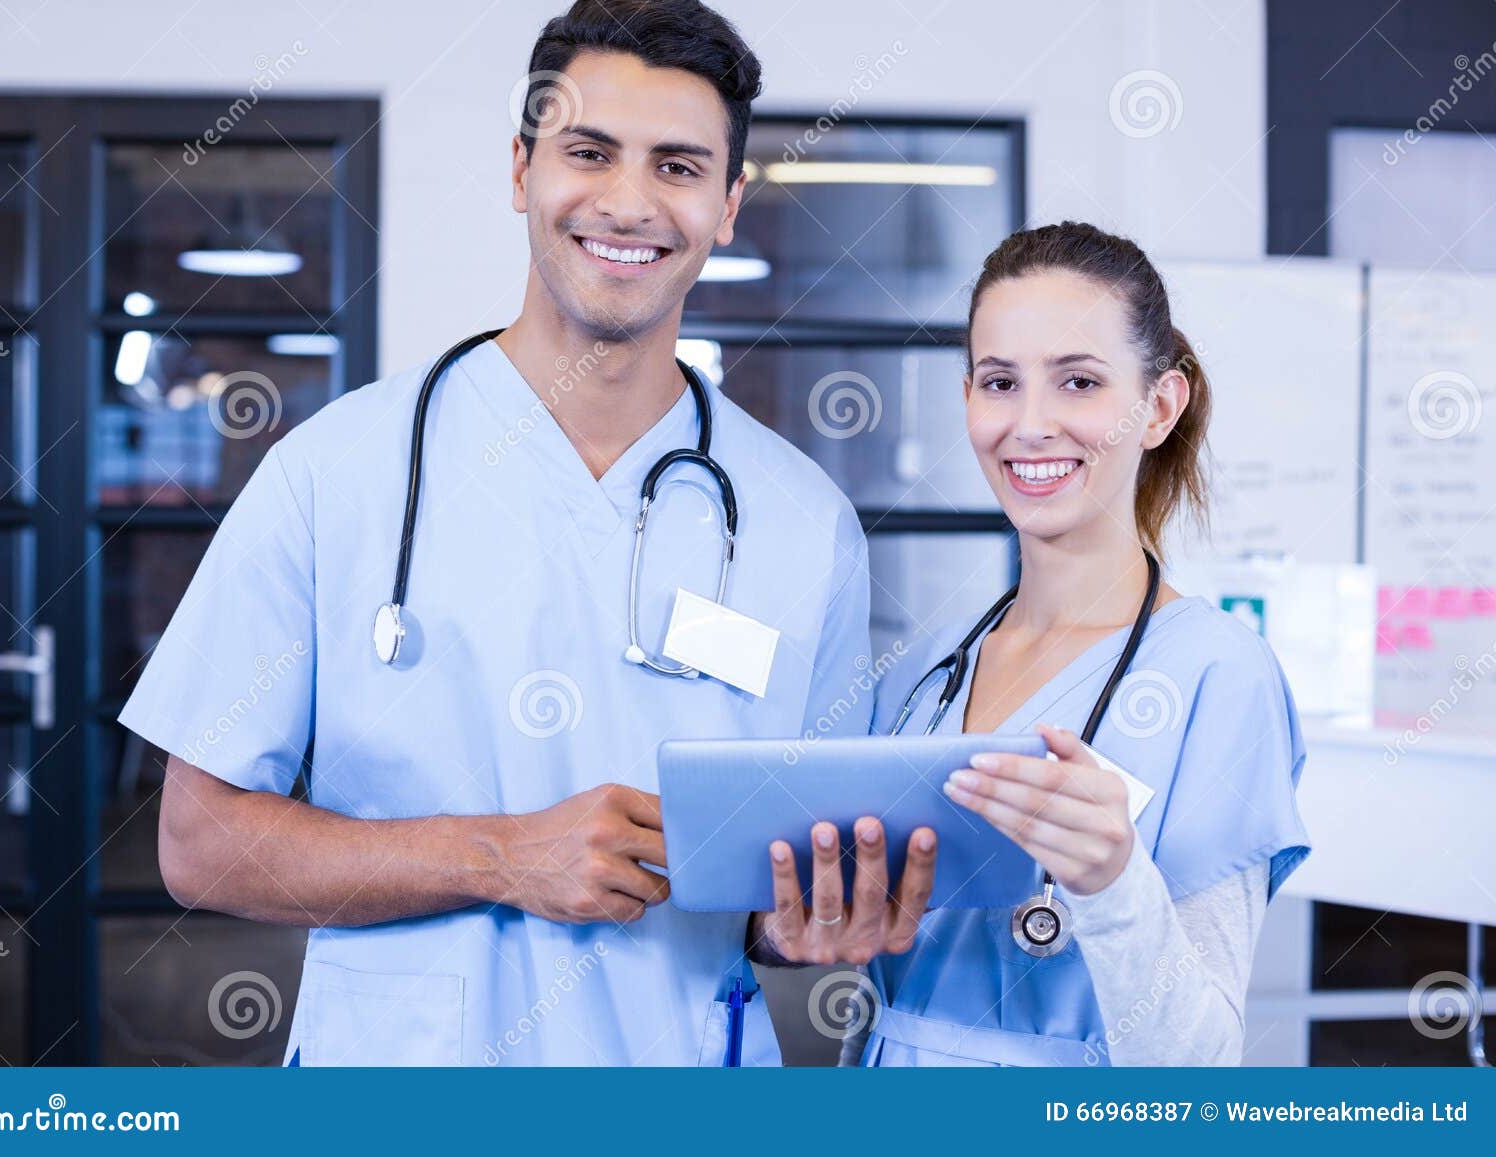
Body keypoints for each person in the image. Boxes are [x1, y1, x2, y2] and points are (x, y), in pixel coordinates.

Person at [119, 0, 873, 1066]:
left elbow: (799, 871)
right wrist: (502, 854)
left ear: (727, 203)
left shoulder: (804, 525)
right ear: (520, 171)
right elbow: (199, 845)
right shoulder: (335, 474)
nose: (627, 200)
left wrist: (799, 927)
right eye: (588, 152)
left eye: (677, 165)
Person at [748, 221, 1311, 1067]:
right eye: (1001, 382)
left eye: (1079, 382)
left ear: (1158, 406)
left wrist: (1114, 883)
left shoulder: (1218, 675)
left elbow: (1199, 1065)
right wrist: (792, 949)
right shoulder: (925, 673)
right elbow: (841, 1021)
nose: (1032, 424)